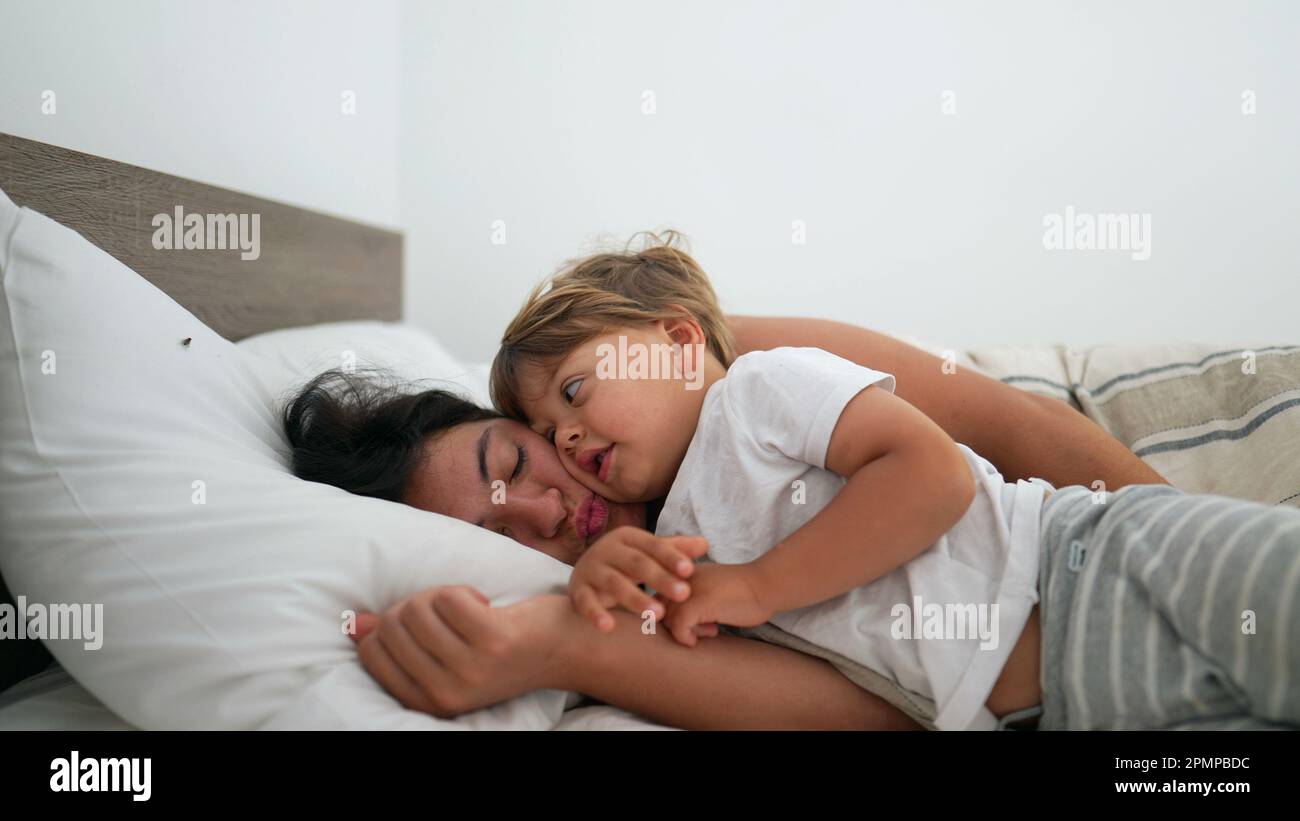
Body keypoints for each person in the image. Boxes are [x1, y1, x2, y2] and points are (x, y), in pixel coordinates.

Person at [482, 232, 1300, 730]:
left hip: (1103, 570)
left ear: (679, 340)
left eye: (577, 391)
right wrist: (607, 581)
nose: (569, 434)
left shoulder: (759, 389)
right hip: (1060, 704)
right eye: (551, 430)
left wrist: (759, 584)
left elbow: (931, 472)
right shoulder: (671, 529)